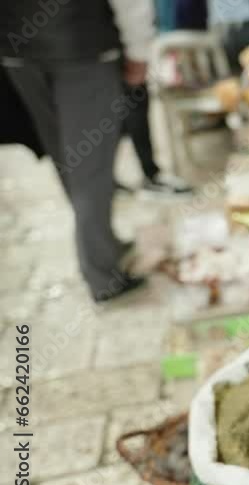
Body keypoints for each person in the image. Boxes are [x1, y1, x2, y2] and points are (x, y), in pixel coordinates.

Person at [1, 0, 155, 302]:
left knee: (66, 156)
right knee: (90, 166)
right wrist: (139, 49)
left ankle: (104, 242)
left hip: (19, 50)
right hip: (82, 46)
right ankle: (102, 275)